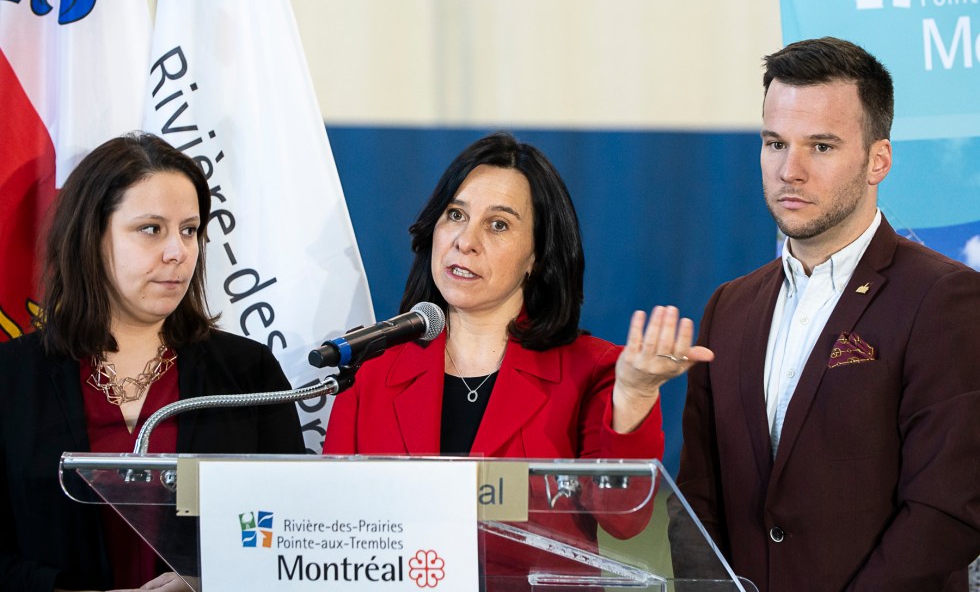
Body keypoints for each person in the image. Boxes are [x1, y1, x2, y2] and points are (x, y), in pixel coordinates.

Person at [324, 131, 711, 583]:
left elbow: (622, 520)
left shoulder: (591, 371)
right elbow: (339, 529)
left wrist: (636, 392)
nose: (465, 241)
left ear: (537, 257)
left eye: (498, 224)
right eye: (455, 215)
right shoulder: (371, 372)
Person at [676, 37, 980, 591]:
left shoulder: (947, 298)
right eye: (775, 143)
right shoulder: (730, 307)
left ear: (877, 160)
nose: (789, 170)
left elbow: (947, 510)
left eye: (820, 146)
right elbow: (701, 499)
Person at [0, 133, 305, 592]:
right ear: (92, 235)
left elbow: (293, 529)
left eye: (189, 230)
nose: (178, 252)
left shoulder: (247, 372)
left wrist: (209, 579)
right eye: (151, 229)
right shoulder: (10, 377)